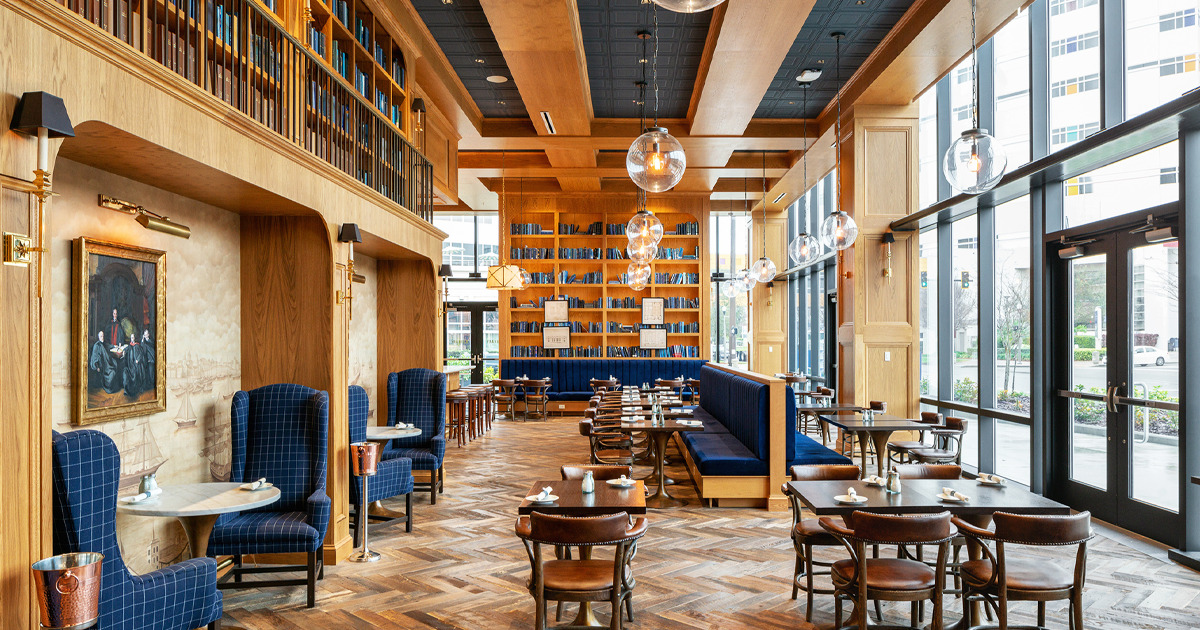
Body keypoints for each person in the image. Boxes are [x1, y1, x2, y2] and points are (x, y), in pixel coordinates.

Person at [124, 329, 156, 397]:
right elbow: (127, 349)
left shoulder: (138, 345)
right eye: (131, 337)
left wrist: (138, 359)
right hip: (131, 364)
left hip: (139, 363)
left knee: (139, 372)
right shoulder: (130, 345)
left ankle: (138, 388)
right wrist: (124, 351)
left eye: (133, 337)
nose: (132, 339)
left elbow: (141, 353)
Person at [88, 329, 122, 394]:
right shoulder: (97, 345)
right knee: (112, 372)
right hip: (102, 365)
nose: (102, 337)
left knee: (115, 366)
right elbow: (95, 358)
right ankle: (109, 388)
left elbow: (109, 345)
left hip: (107, 363)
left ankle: (113, 387)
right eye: (101, 336)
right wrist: (97, 366)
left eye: (103, 336)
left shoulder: (103, 343)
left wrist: (115, 346)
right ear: (98, 337)